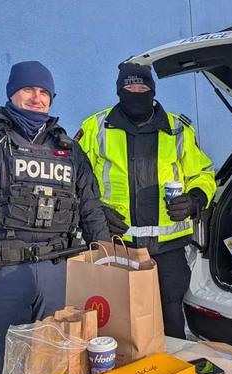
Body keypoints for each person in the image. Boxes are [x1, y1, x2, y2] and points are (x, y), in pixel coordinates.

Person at [0, 61, 110, 374]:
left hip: (58, 273)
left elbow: (90, 207)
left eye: (44, 92)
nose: (37, 97)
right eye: (28, 89)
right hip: (2, 275)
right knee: (1, 368)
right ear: (12, 92)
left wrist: (107, 262)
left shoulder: (68, 150)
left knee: (56, 366)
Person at [77, 62, 216, 339]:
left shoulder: (178, 128)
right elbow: (74, 181)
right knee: (117, 319)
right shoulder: (95, 128)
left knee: (171, 316)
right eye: (130, 86)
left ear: (152, 90)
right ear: (119, 91)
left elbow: (203, 174)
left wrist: (195, 199)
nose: (136, 91)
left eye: (142, 86)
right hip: (116, 246)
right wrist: (94, 210)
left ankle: (173, 371)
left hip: (169, 249)